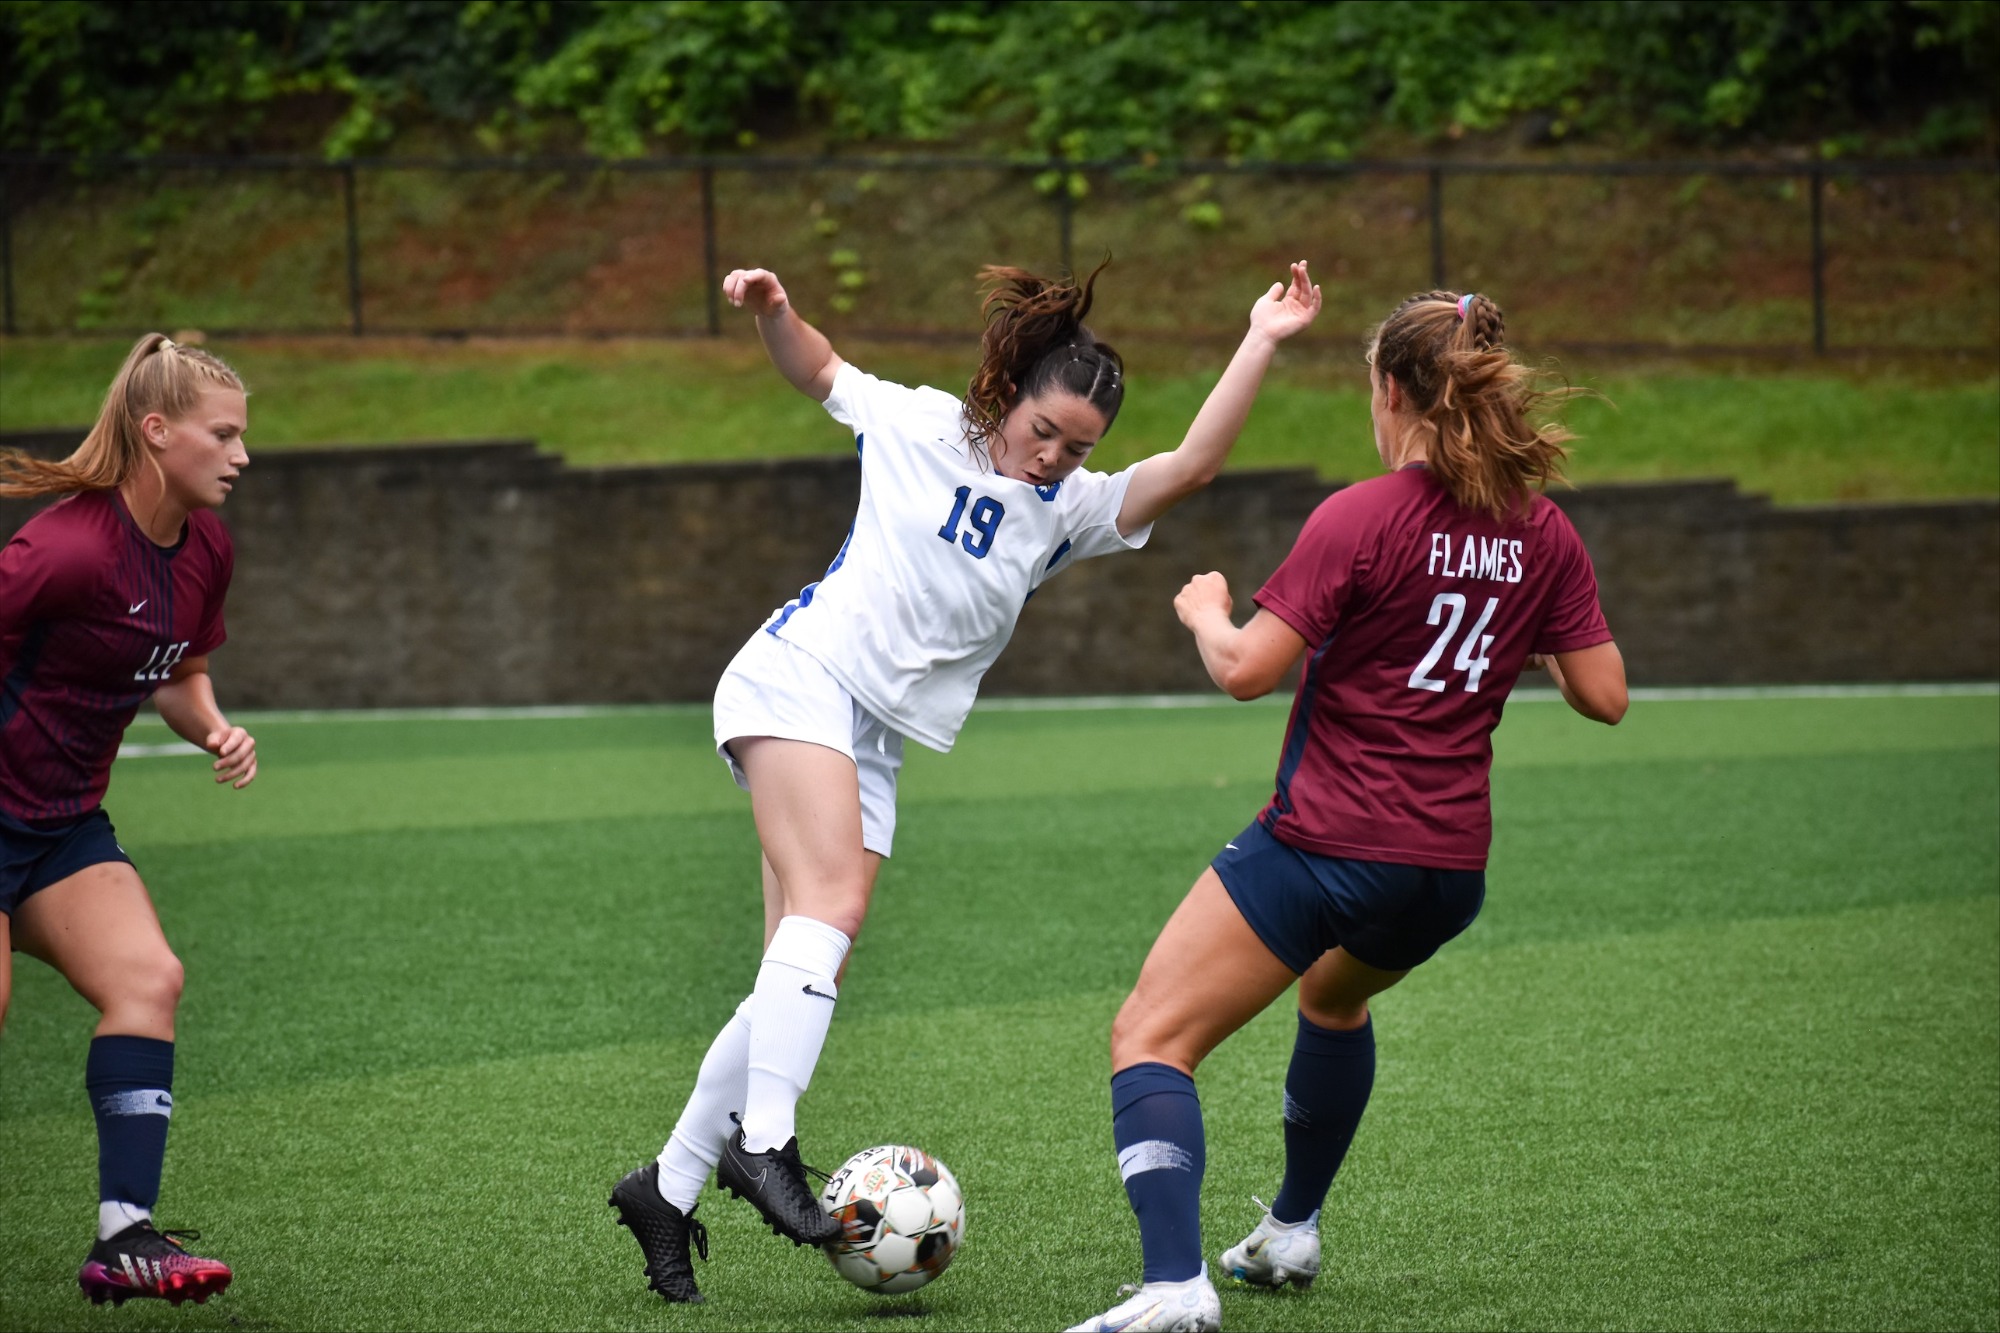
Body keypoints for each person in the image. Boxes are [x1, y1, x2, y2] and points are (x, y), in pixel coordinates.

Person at [608, 259, 1323, 1303]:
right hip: (799, 675)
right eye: (1045, 432)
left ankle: (665, 1184)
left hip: (875, 737)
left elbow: (1192, 465)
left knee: (797, 968)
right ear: (1007, 394)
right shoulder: (922, 424)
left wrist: (1259, 336)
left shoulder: (1067, 509)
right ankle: (761, 1143)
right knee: (833, 905)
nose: (1055, 457)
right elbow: (817, 371)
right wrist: (774, 311)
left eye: (1079, 447)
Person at [1067, 290, 1628, 1332]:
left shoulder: (1358, 516)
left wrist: (1202, 611)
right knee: (1331, 998)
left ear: (1389, 391)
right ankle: (1288, 1229)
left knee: (1149, 1034)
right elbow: (1605, 697)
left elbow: (1245, 672)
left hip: (1327, 843)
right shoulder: (1541, 530)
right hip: (1445, 871)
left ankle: (1173, 1285)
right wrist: (1522, 618)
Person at [0, 334, 258, 1308]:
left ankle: (123, 1235)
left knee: (149, 978)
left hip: (60, 826)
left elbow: (182, 673)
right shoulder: (59, 552)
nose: (241, 455)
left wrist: (214, 731)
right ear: (157, 432)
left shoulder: (205, 550)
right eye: (222, 434)